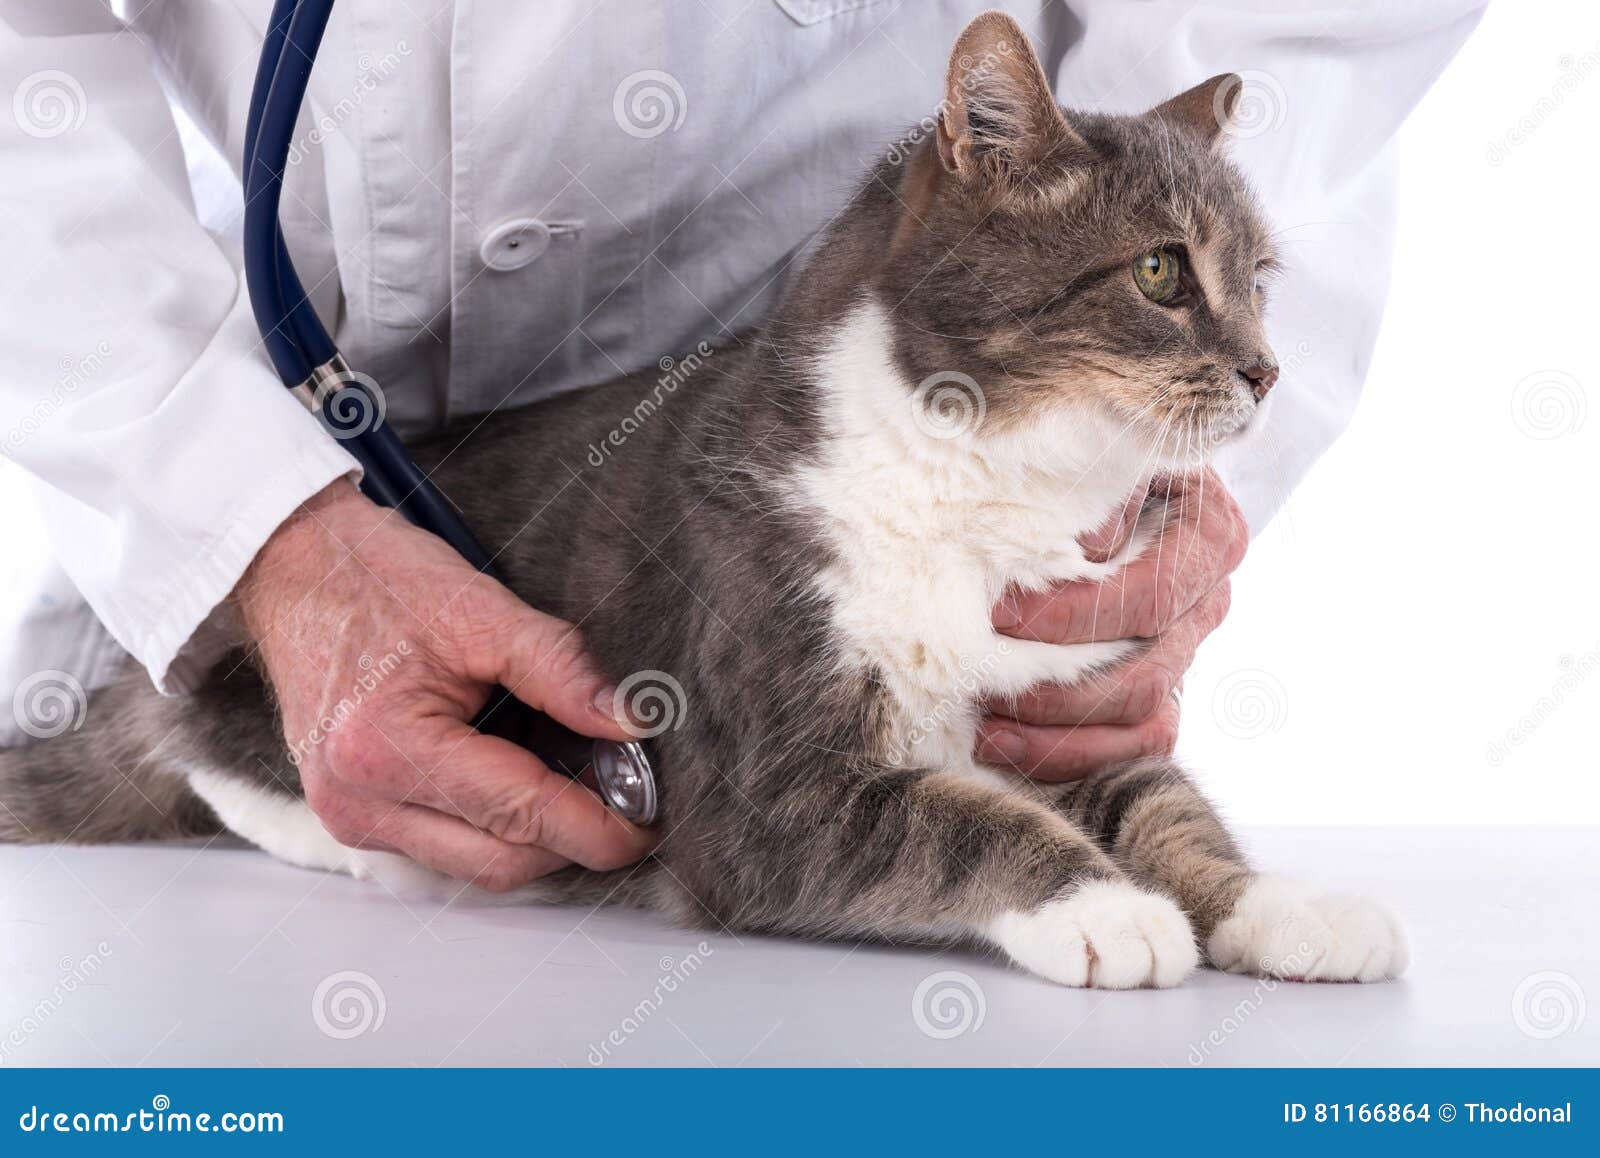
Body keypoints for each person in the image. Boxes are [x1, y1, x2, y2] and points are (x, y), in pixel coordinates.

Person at [0, 0, 1484, 888]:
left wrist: (1154, 474)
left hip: (869, 414)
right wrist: (245, 519)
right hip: (250, 464)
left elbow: (1291, 40)